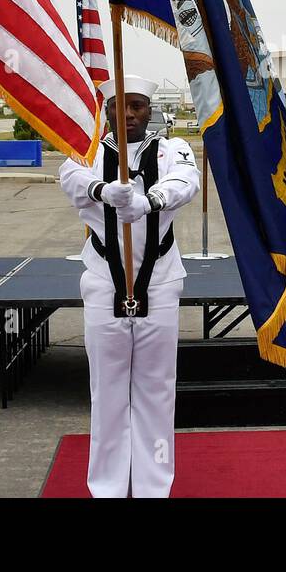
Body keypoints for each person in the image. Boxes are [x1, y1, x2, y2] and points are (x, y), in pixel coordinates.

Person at [58, 76, 200, 497]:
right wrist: (103, 188)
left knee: (157, 390)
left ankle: (154, 486)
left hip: (158, 283)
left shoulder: (170, 148)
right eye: (121, 106)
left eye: (138, 106)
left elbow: (187, 181)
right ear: (107, 111)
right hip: (104, 282)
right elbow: (70, 179)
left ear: (148, 109)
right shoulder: (87, 152)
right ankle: (107, 487)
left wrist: (149, 199)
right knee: (107, 391)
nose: (130, 114)